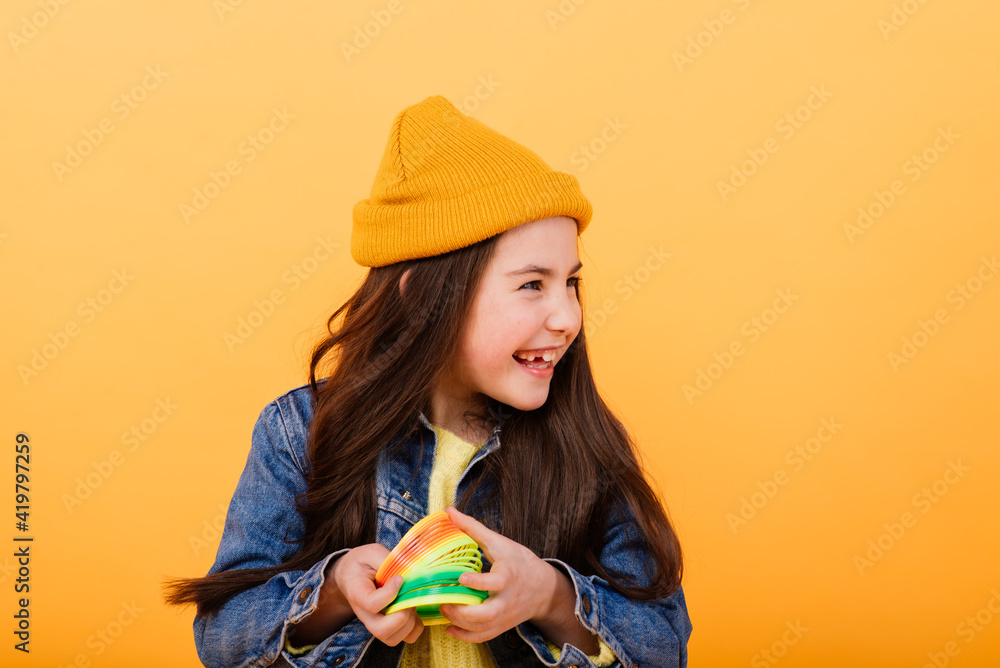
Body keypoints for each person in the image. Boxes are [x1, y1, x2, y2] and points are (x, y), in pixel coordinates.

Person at [164, 95, 693, 667]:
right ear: (420, 293)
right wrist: (336, 591)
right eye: (532, 285)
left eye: (571, 282)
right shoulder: (299, 434)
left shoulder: (582, 442)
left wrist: (547, 595)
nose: (567, 317)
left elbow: (666, 644)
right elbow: (221, 642)